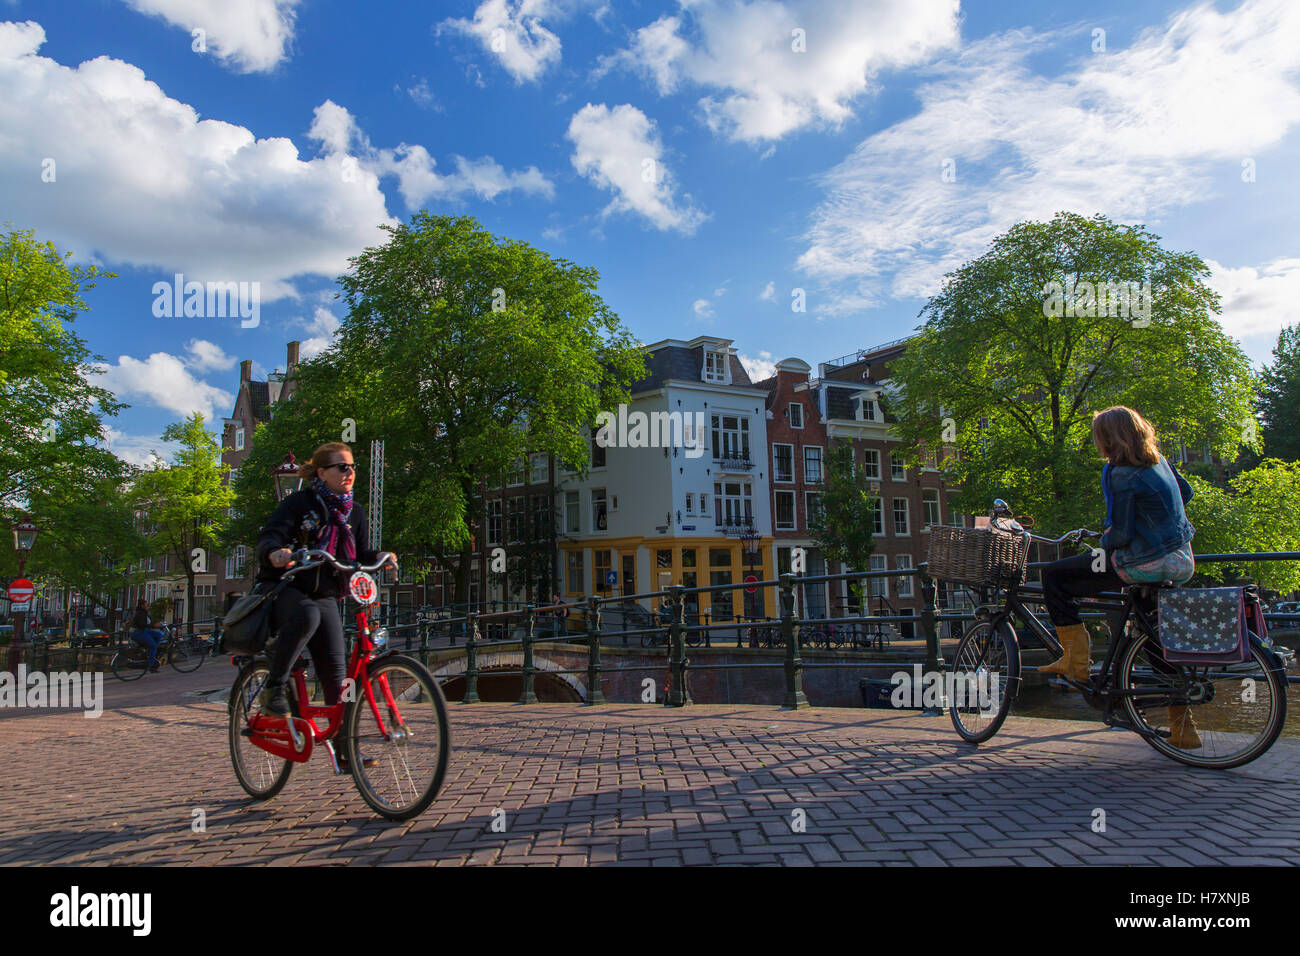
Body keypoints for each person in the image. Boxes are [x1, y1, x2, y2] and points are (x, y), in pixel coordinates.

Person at [1038, 405, 1200, 748]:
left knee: (1054, 577)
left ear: (1107, 439)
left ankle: (1076, 661)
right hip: (1182, 558)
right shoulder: (1160, 460)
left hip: (1146, 561)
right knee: (1153, 637)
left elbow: (1121, 535)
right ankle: (1184, 730)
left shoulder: (1118, 472)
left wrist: (1103, 538)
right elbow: (1185, 495)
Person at [255, 442, 396, 769]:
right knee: (305, 615)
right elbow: (269, 535)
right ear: (321, 472)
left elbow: (359, 553)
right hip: (290, 586)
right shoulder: (300, 503)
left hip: (327, 595)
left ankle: (345, 749)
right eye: (341, 467)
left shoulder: (354, 511)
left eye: (352, 467)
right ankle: (274, 688)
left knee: (338, 675)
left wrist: (380, 557)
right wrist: (275, 552)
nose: (350, 473)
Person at [131, 597, 166, 672]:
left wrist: (157, 624)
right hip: (138, 632)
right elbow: (142, 625)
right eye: (146, 605)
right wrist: (154, 626)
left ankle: (152, 655)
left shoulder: (144, 613)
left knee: (159, 635)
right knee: (153, 646)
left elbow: (149, 622)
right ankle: (151, 666)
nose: (148, 606)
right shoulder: (140, 613)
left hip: (144, 630)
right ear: (142, 606)